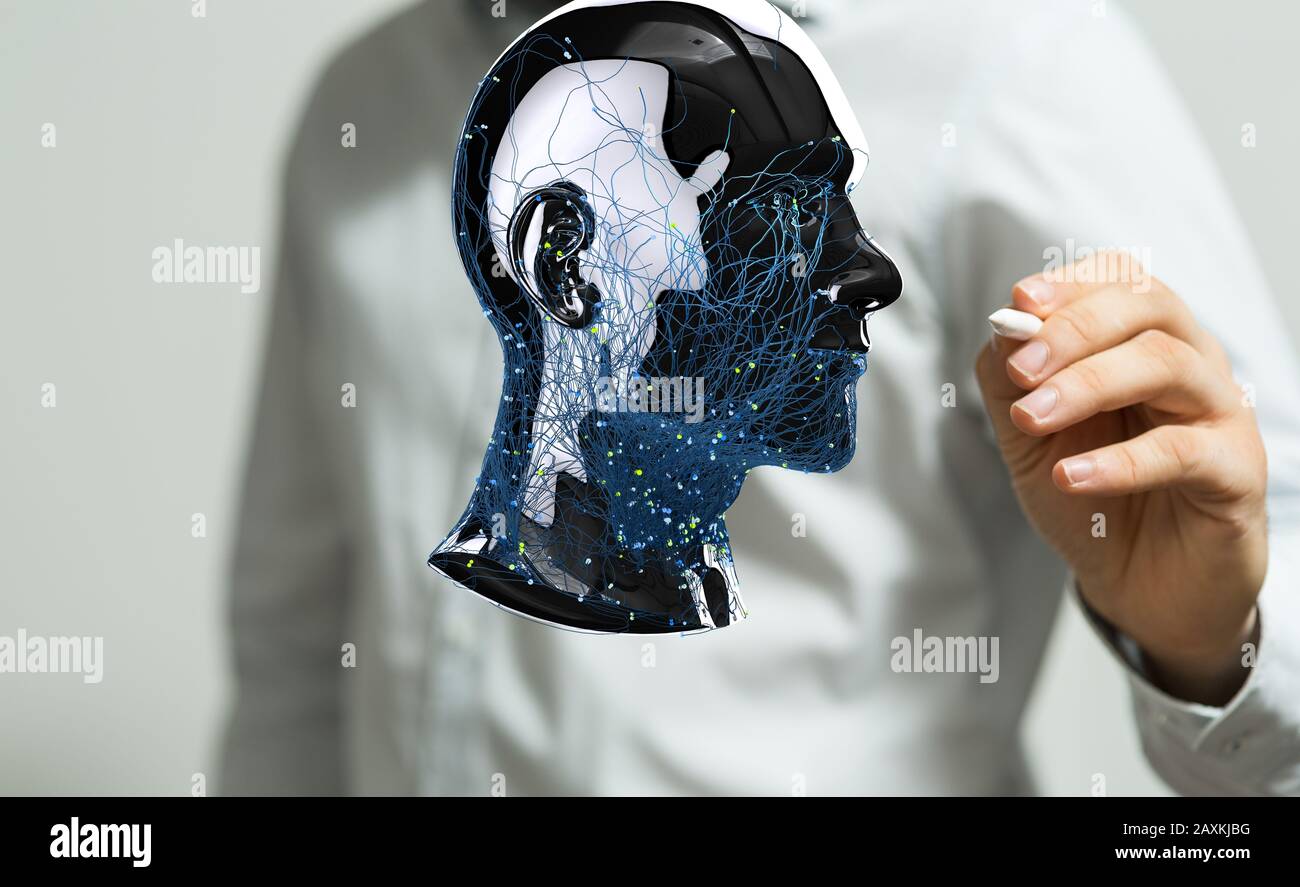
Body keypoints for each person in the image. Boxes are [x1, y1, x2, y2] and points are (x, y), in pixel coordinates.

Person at [220, 0, 1300, 795]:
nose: (866, 271)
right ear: (567, 262)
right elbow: (296, 651)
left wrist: (1210, 637)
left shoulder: (1017, 60)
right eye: (780, 211)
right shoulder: (358, 113)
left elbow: (1265, 541)